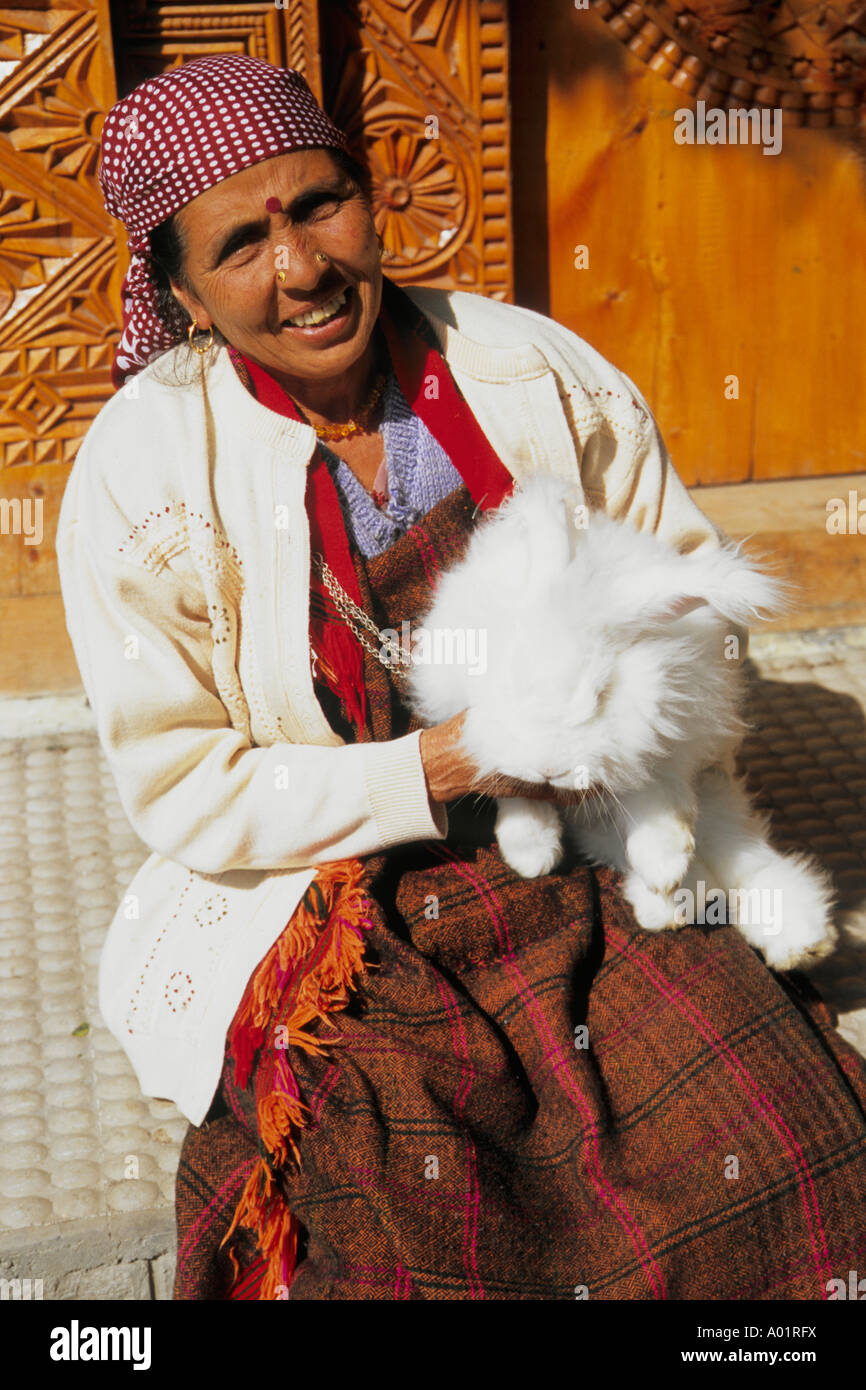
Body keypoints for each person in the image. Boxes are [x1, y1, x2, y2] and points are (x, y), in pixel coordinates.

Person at [57, 54, 866, 1301]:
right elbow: (183, 788)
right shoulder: (140, 478)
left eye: (321, 204)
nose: (306, 269)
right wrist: (448, 761)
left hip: (588, 835)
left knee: (795, 1154)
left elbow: (690, 586)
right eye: (240, 247)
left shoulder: (526, 370)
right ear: (179, 291)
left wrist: (607, 729)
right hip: (336, 895)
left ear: (369, 197)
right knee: (405, 1223)